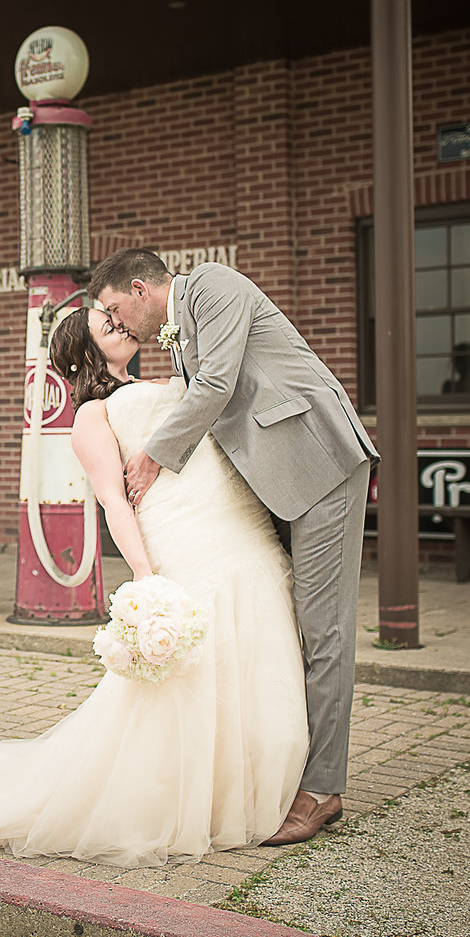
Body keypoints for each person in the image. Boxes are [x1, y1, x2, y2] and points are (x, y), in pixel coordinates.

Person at [0, 306, 308, 867]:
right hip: (183, 542)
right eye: (104, 324)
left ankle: (257, 780)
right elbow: (112, 498)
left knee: (251, 655)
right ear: (84, 350)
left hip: (231, 527)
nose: (118, 323)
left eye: (116, 316)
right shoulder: (93, 414)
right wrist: (144, 577)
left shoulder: (171, 378)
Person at [89, 249, 377, 846]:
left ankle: (322, 790)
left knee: (325, 630)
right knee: (296, 623)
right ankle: (295, 766)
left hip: (316, 461)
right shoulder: (178, 331)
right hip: (275, 481)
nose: (119, 327)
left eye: (117, 312)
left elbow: (217, 385)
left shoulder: (216, 286)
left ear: (140, 289)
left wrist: (151, 457)